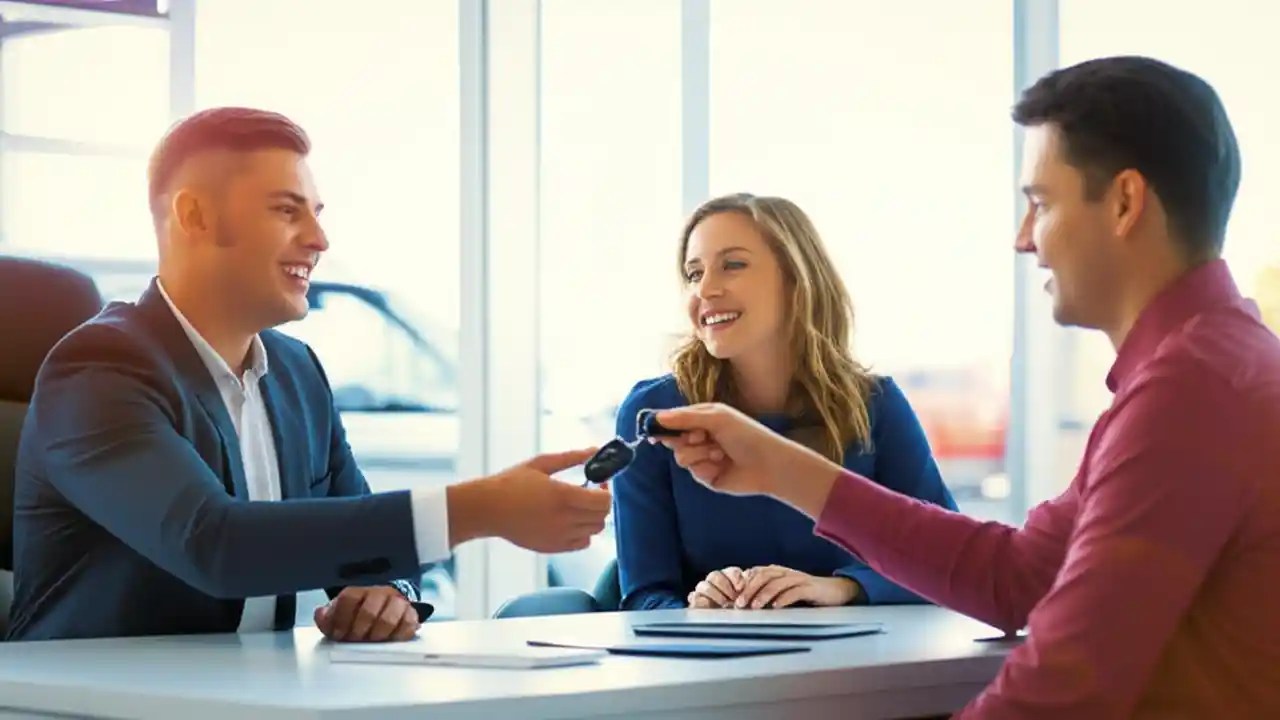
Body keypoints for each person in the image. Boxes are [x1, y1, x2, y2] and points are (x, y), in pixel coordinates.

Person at [649, 56, 1280, 718]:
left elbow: (1063, 689)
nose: (1023, 239)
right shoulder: (1209, 368)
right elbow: (1018, 578)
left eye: (1040, 202)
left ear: (1124, 202)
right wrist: (782, 470)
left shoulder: (1190, 394)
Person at [6, 107, 611, 642]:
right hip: (92, 702)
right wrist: (481, 508)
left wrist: (385, 595)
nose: (319, 239)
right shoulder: (99, 371)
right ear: (193, 215)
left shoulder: (296, 372)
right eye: (286, 211)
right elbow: (216, 544)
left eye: (316, 214)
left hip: (251, 695)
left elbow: (364, 535)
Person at [613, 193, 957, 612]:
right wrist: (697, 610)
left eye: (732, 265)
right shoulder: (656, 414)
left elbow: (947, 560)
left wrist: (840, 587)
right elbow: (643, 596)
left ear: (797, 280)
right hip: (707, 667)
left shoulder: (875, 405)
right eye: (693, 273)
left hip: (853, 665)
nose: (705, 289)